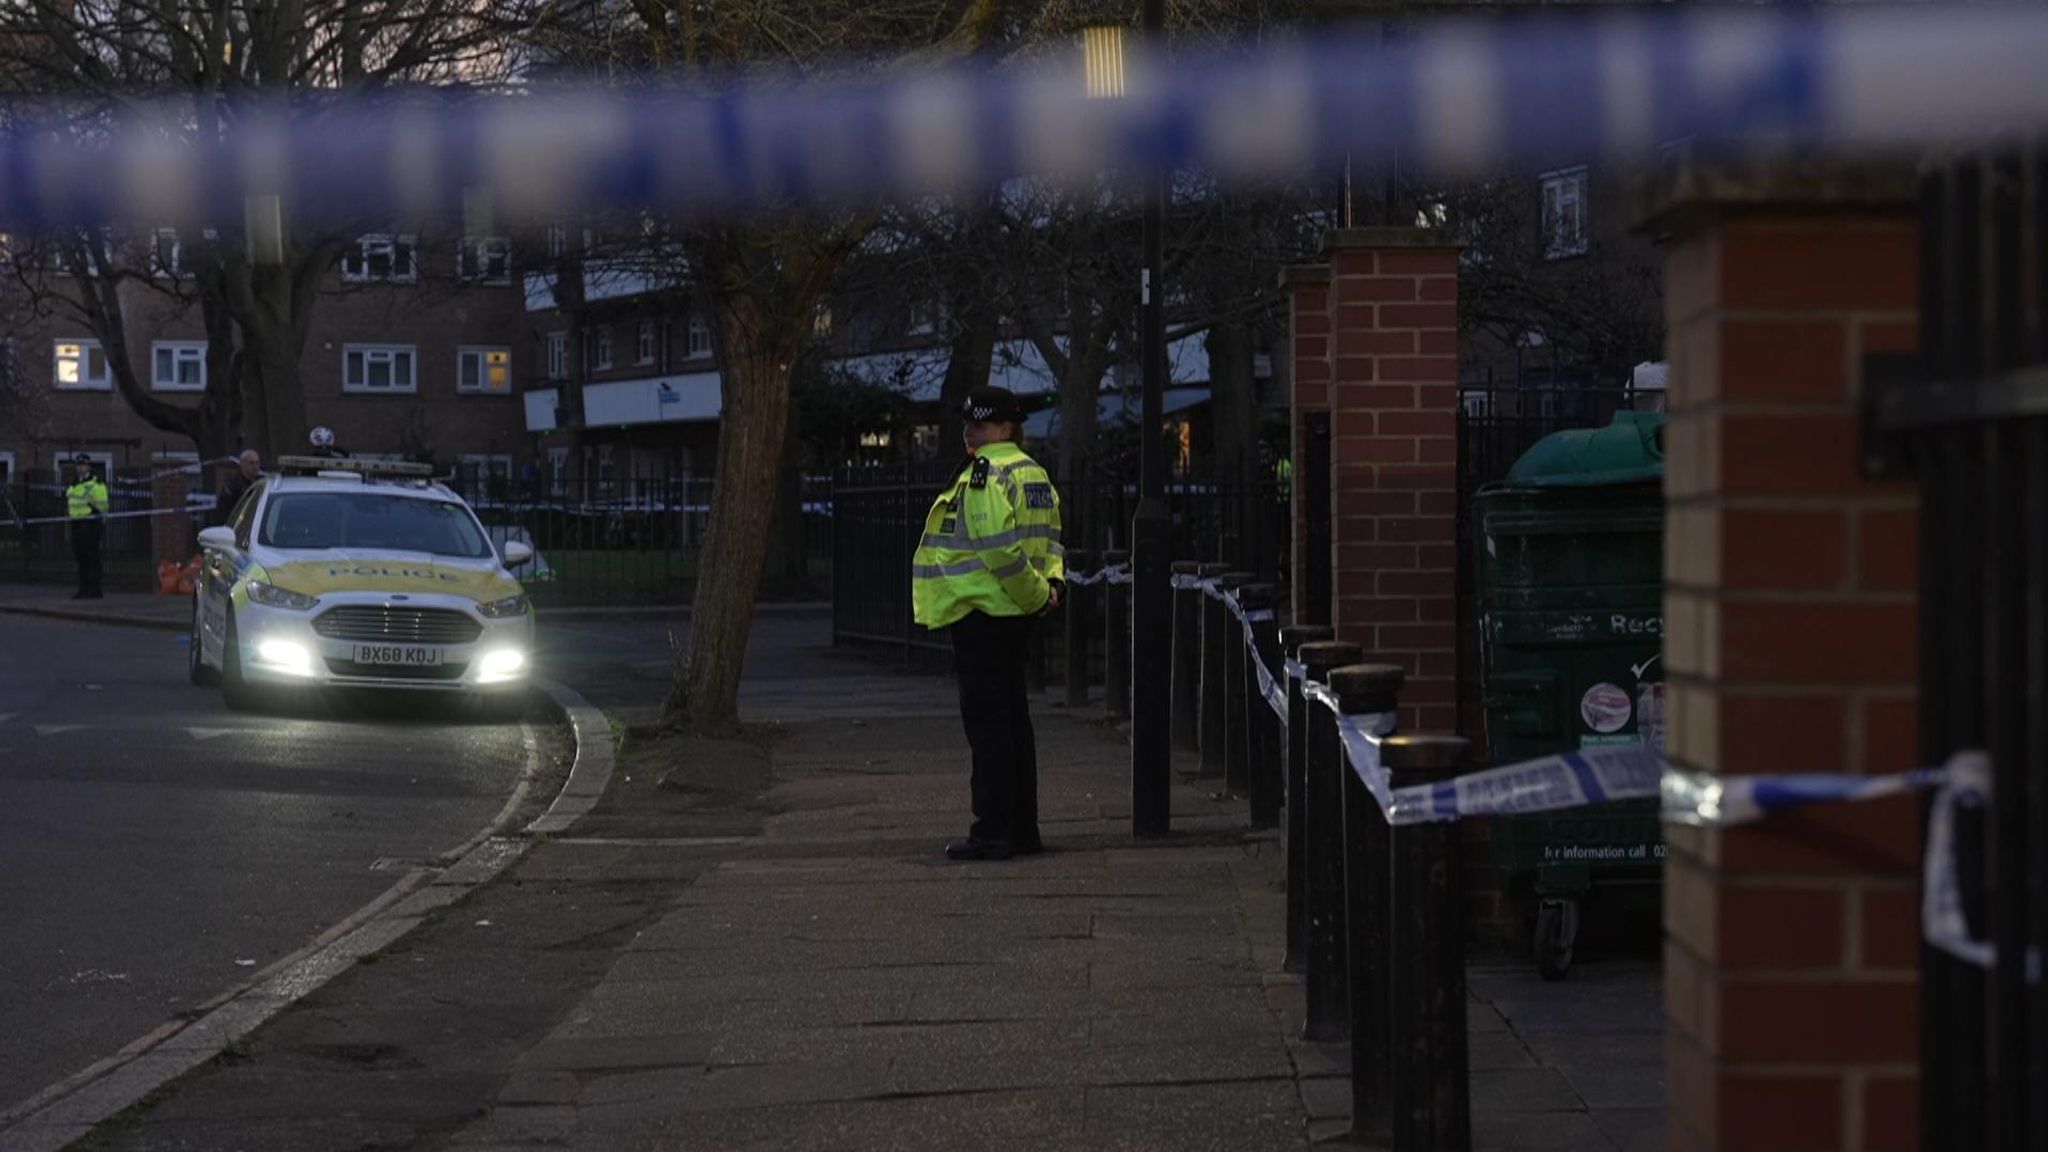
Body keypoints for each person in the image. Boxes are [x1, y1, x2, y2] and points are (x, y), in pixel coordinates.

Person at [912, 386, 1065, 862]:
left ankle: (993, 831)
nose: (969, 431)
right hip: (1015, 613)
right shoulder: (1033, 473)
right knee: (1014, 721)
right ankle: (1023, 829)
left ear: (1005, 429)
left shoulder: (986, 474)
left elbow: (1000, 549)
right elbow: (1051, 542)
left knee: (989, 727)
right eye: (967, 423)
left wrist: (1034, 594)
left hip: (984, 612)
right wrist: (1048, 591)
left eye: (979, 424)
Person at [65, 453, 108, 600]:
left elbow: (102, 504)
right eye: (78, 465)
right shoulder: (75, 483)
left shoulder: (95, 483)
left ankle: (95, 589)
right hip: (76, 523)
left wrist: (97, 517)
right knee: (81, 557)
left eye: (83, 465)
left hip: (90, 522)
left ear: (88, 466)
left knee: (91, 557)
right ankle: (83, 589)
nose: (81, 468)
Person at [215, 449, 261, 527]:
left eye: (257, 463)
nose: (255, 467)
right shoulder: (233, 485)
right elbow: (224, 512)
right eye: (251, 463)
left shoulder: (261, 482)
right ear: (242, 463)